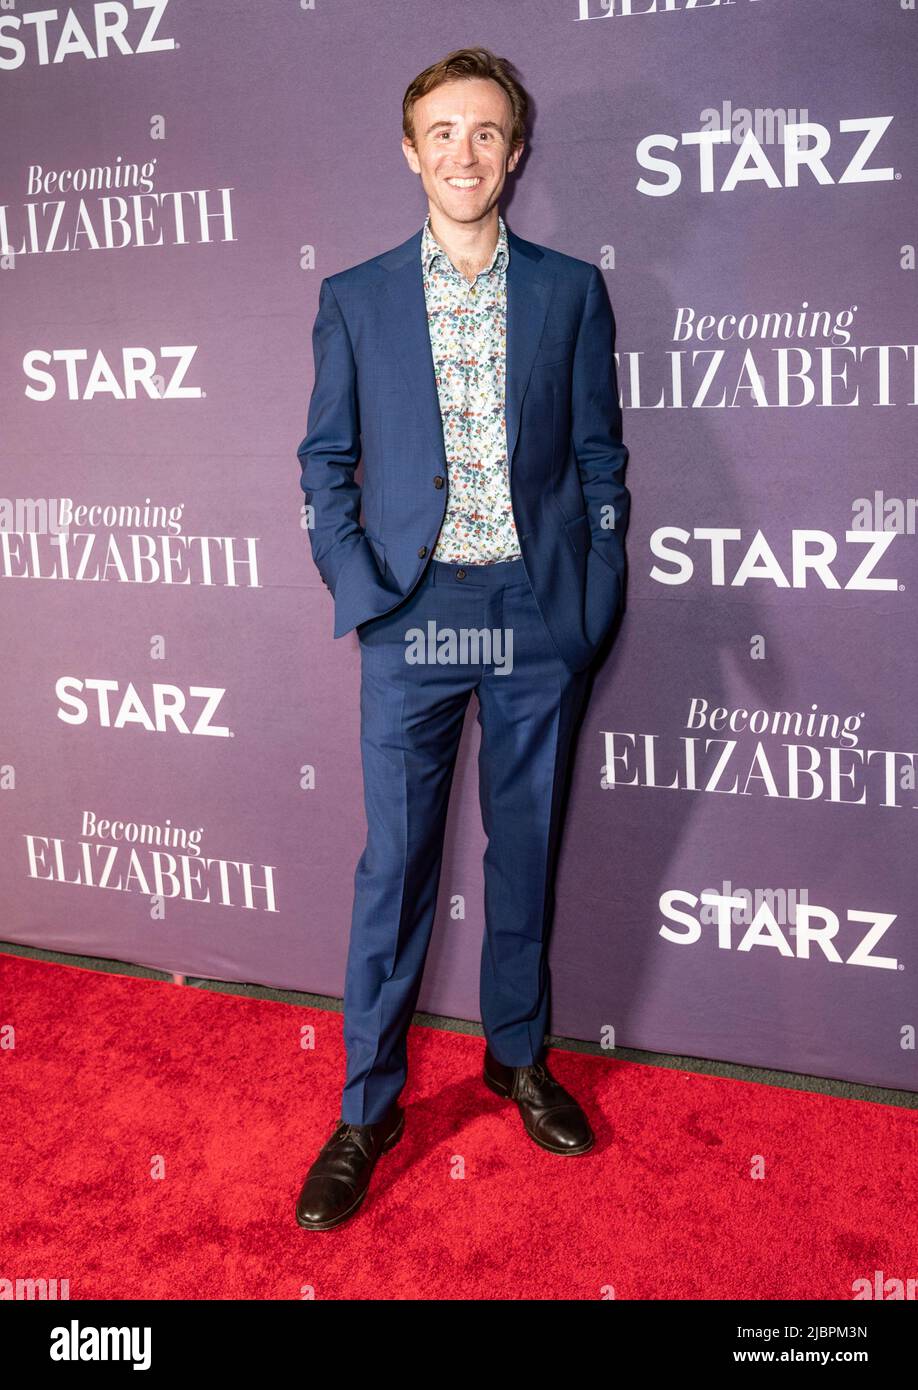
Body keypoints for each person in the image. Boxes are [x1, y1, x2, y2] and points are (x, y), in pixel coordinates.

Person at [294, 46, 630, 1230]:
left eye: (486, 132)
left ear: (518, 151)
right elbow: (324, 461)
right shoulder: (357, 295)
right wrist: (364, 586)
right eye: (442, 131)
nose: (464, 153)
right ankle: (367, 1107)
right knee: (397, 866)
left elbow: (600, 461)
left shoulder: (571, 291)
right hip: (415, 613)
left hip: (537, 614)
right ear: (409, 150)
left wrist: (590, 597)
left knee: (526, 849)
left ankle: (518, 1058)